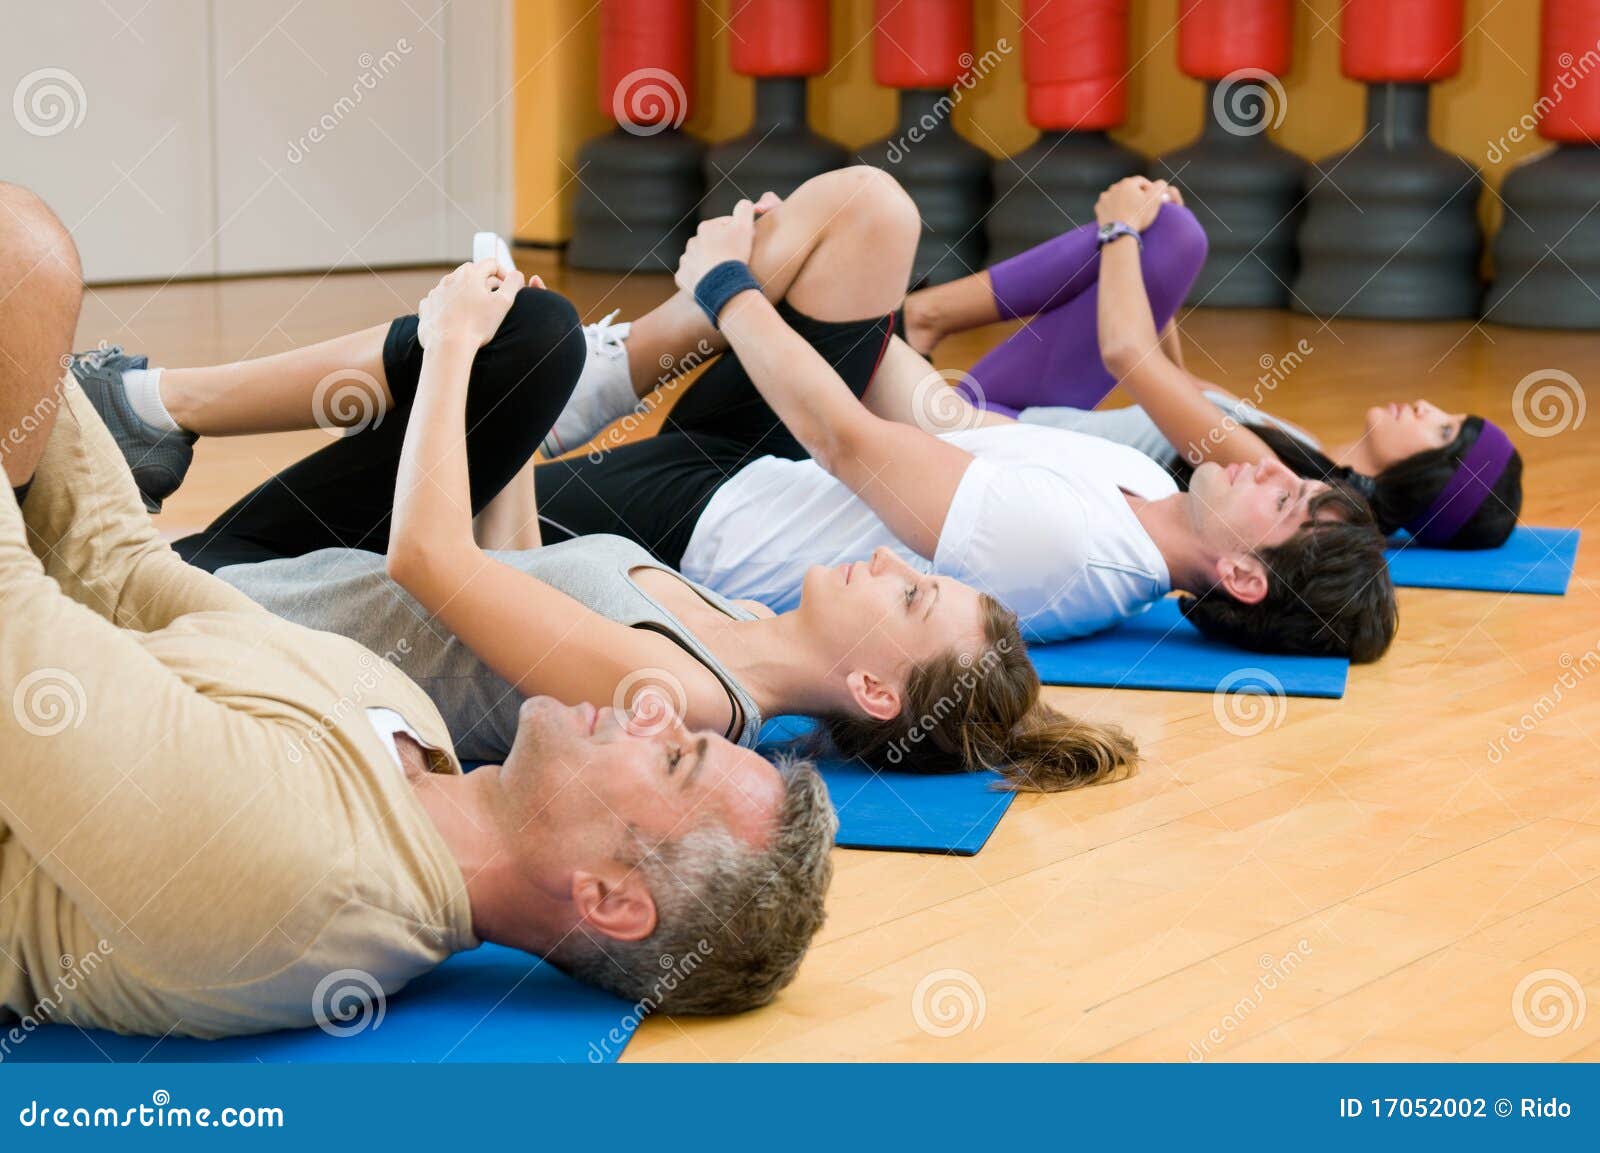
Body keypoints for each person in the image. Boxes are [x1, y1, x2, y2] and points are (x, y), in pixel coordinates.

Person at [0, 184, 834, 1041]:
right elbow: (125, 573)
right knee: (25, 263)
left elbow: (13, 620)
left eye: (672, 763)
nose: (651, 716)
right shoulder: (415, 728)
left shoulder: (303, 866)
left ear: (609, 898)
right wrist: (31, 338)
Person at [75, 255, 1135, 790]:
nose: (883, 558)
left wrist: (450, 348)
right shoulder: (724, 617)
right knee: (533, 342)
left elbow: (428, 557)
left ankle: (142, 415)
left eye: (911, 593)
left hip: (220, 606)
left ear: (871, 690)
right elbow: (519, 568)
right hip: (307, 566)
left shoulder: (677, 695)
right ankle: (148, 413)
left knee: (507, 337)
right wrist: (509, 396)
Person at [531, 168, 1398, 661]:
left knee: (414, 509)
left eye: (1282, 503)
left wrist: (730, 286)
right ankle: (608, 379)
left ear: (1244, 577)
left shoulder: (1076, 551)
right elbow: (933, 412)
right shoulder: (1143, 483)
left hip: (705, 517)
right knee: (873, 208)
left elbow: (847, 441)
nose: (1270, 471)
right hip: (775, 452)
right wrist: (840, 302)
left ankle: (598, 374)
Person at [902, 177, 1524, 551]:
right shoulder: (1302, 453)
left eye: (1442, 431)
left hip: (977, 432)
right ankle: (921, 318)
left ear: (1430, 481)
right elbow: (1176, 381)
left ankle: (921, 319)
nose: (1426, 408)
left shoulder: (1276, 478)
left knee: (1163, 232)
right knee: (1171, 234)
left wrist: (1119, 231)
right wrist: (1151, 274)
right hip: (1019, 412)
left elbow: (1127, 356)